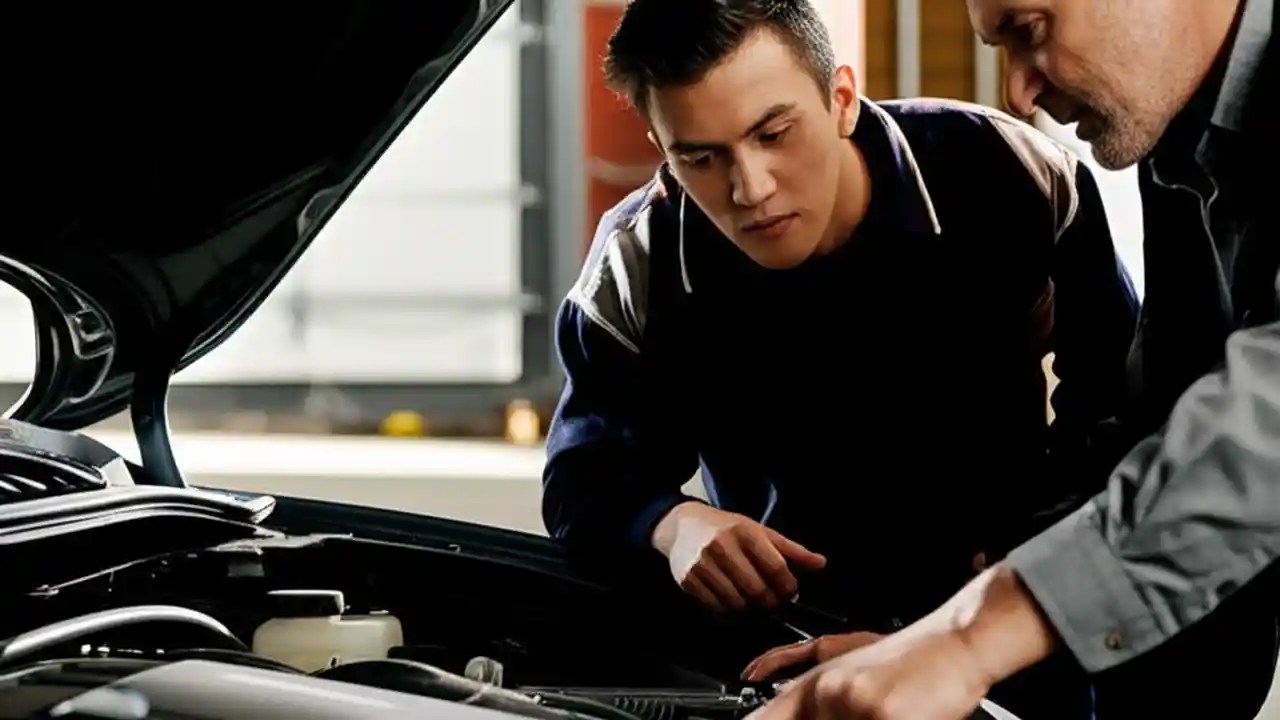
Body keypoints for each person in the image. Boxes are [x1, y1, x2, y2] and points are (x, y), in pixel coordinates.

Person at [541, 1, 1136, 714]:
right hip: (790, 649)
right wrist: (672, 523)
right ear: (661, 148)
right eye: (699, 157)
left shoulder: (1009, 172)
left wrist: (1025, 557)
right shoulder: (635, 264)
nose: (749, 189)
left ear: (842, 99)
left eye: (774, 133)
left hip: (1014, 630)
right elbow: (581, 483)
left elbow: (1122, 411)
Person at [745, 0, 1280, 718]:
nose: (1017, 93)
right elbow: (1161, 437)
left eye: (1030, 31)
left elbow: (1263, 431)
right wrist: (918, 646)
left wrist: (970, 641)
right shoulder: (1180, 152)